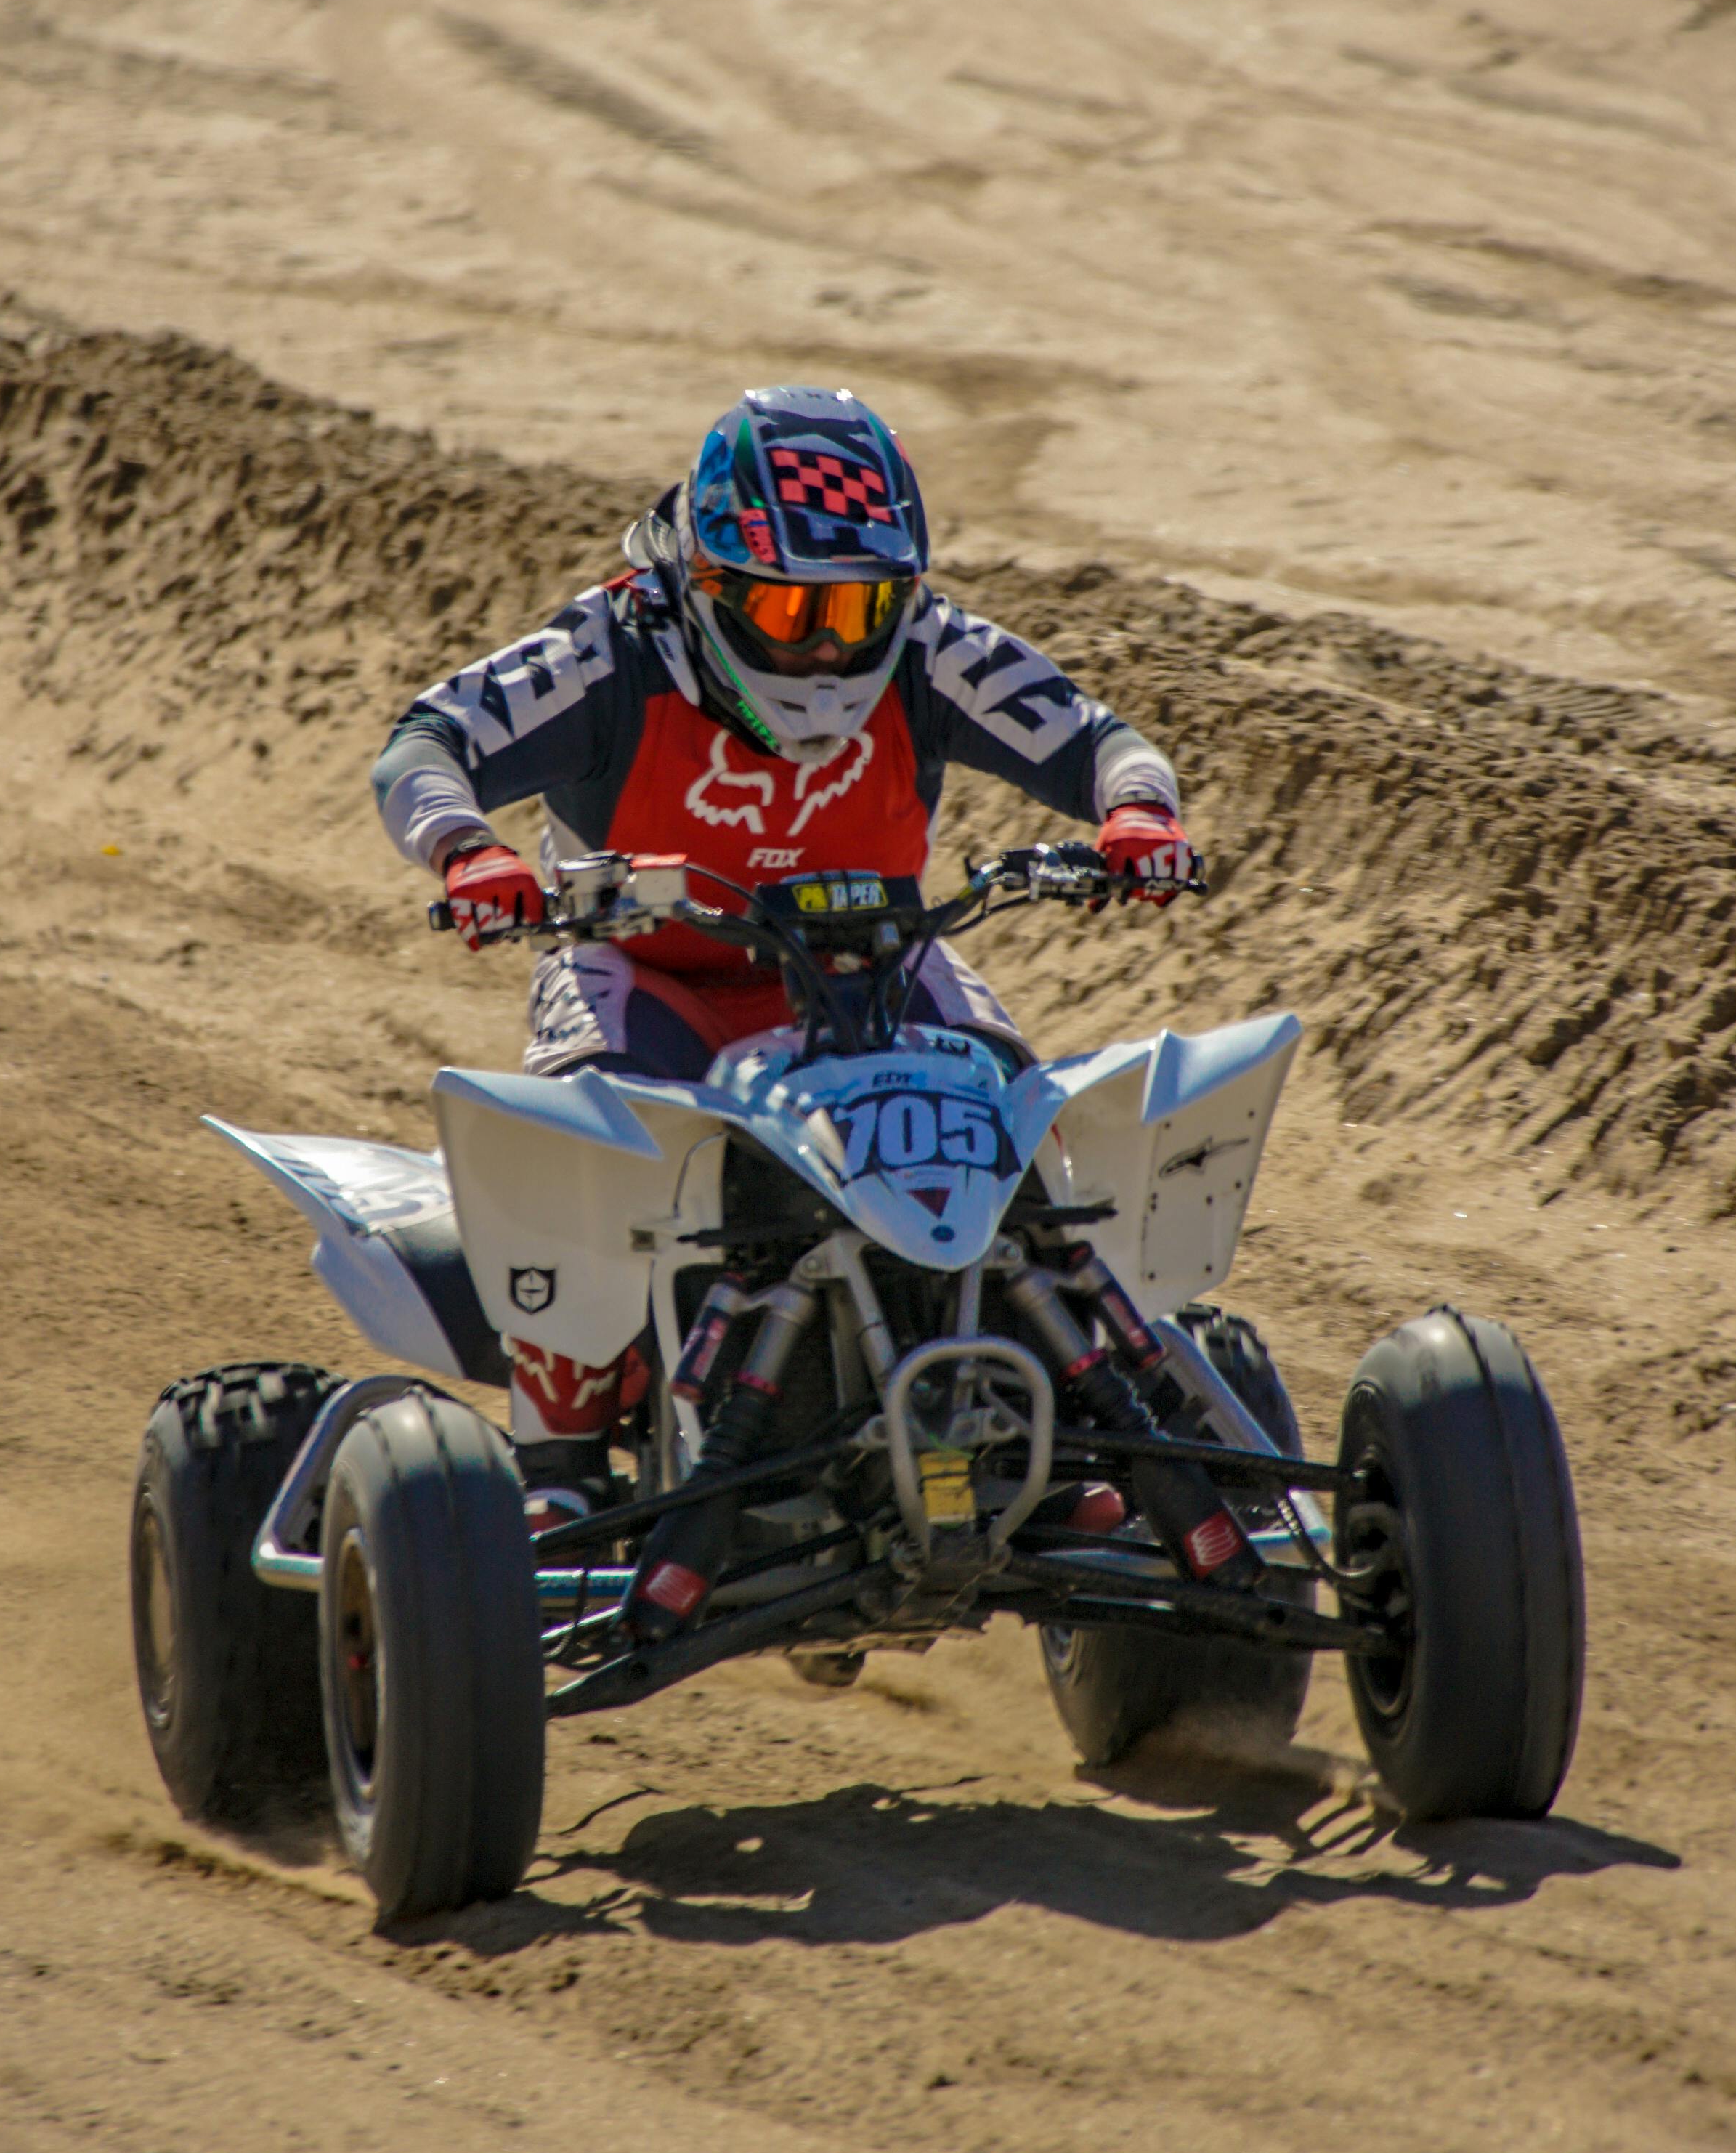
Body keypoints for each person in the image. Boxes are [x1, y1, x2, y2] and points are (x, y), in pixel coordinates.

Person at [371, 386, 1198, 1528]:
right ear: (705, 579)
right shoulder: (611, 648)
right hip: (647, 975)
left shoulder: (932, 646)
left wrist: (1139, 818)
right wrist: (467, 852)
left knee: (1026, 1129)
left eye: (856, 611)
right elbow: (428, 740)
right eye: (788, 605)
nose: (824, 644)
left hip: (880, 965)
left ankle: (1053, 1429)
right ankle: (558, 1469)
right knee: (593, 1158)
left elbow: (1100, 740)